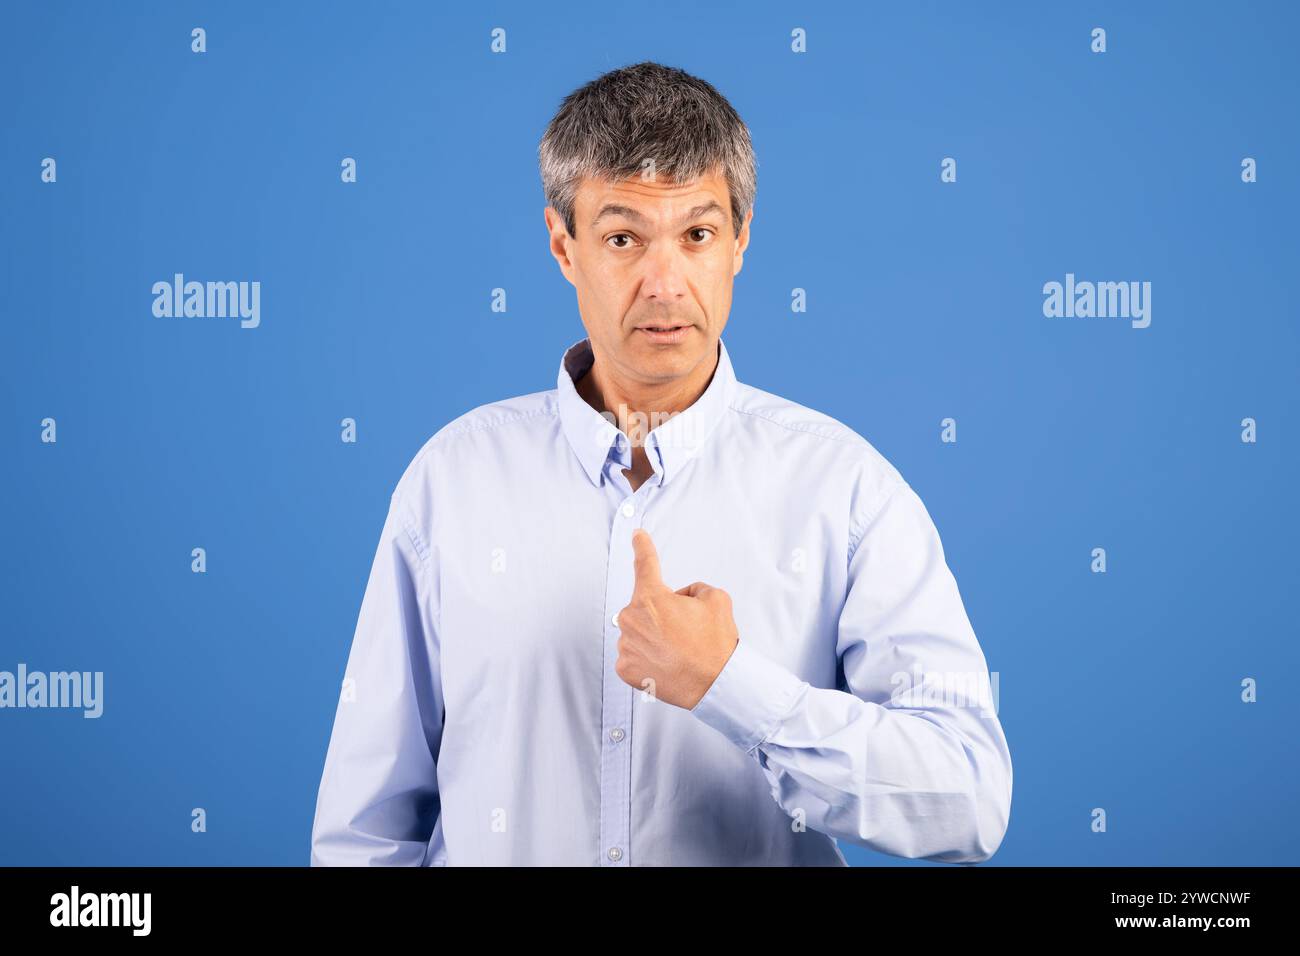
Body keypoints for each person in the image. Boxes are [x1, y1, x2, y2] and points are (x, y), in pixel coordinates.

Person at [310, 61, 1012, 866]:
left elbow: (968, 798)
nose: (664, 282)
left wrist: (732, 687)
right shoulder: (451, 482)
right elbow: (364, 834)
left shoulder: (847, 491)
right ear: (562, 246)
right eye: (622, 238)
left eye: (697, 235)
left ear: (740, 242)